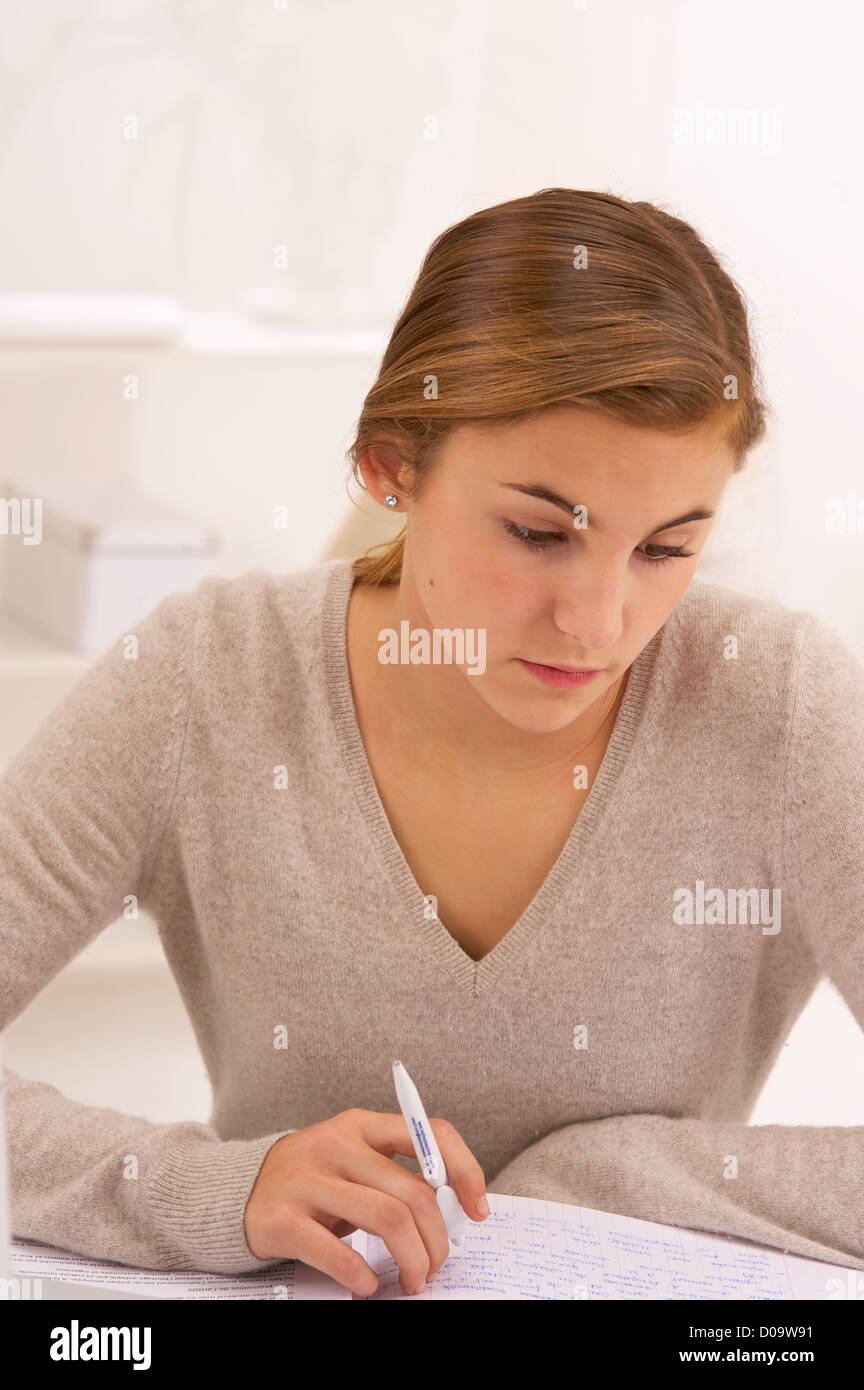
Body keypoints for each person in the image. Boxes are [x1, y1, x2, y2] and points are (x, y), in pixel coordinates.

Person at [2, 189, 862, 1299]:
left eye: (667, 548)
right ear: (391, 467)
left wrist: (613, 1173)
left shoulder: (781, 705)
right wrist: (219, 1189)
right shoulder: (202, 679)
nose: (599, 625)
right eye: (540, 533)